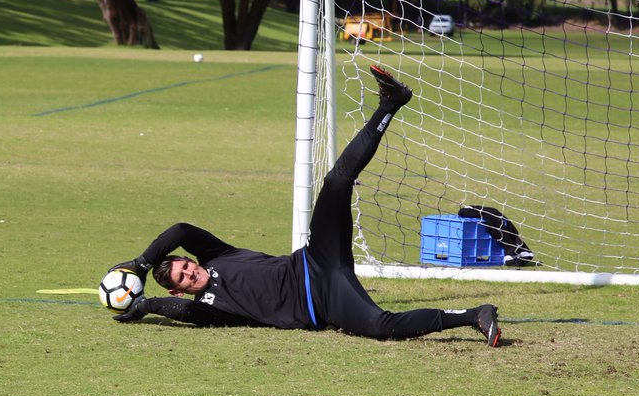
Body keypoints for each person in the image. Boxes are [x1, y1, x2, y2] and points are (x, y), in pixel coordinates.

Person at [110, 66, 502, 347]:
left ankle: (391, 103)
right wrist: (145, 305)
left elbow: (180, 230)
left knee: (336, 181)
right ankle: (475, 315)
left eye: (185, 264)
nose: (189, 272)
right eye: (182, 278)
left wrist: (141, 264)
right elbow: (179, 313)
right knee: (381, 327)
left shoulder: (218, 256)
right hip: (325, 304)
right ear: (180, 291)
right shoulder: (211, 309)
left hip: (317, 258)